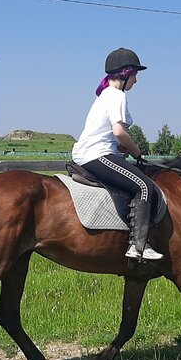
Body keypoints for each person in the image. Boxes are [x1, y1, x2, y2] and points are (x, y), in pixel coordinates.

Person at [71, 48, 163, 261]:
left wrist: (122, 148)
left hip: (92, 152)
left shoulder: (105, 95)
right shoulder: (117, 96)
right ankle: (138, 246)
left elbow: (112, 136)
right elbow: (119, 132)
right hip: (96, 154)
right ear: (126, 73)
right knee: (144, 186)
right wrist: (137, 151)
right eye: (135, 75)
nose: (136, 81)